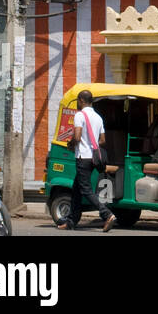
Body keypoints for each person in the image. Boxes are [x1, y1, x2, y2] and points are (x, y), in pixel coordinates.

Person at [57, 89, 115, 232]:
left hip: (83, 157)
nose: (77, 103)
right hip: (93, 158)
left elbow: (77, 137)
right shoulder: (98, 117)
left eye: (78, 100)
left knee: (85, 189)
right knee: (77, 189)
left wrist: (71, 144)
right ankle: (71, 222)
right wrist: (91, 142)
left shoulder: (79, 115)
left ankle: (107, 214)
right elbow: (102, 140)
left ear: (81, 101)